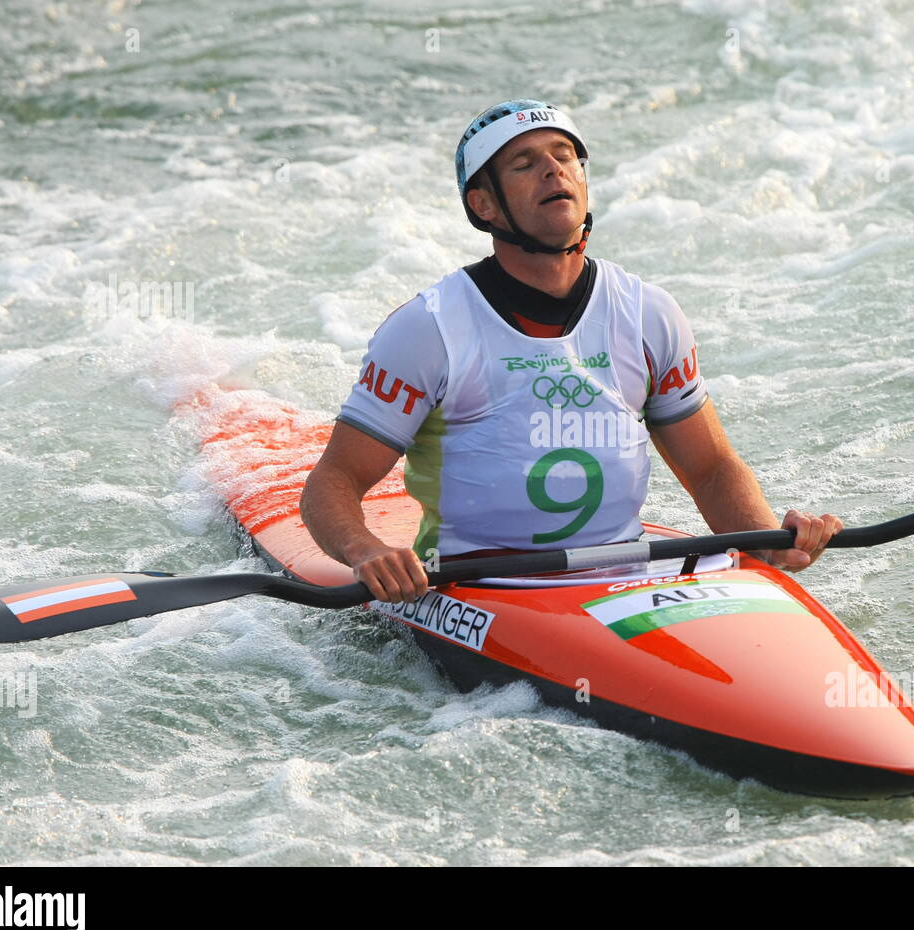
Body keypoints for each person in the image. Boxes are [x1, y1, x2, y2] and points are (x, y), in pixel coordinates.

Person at [300, 99, 842, 602]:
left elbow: (710, 469)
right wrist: (364, 549)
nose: (554, 170)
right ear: (482, 203)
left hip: (626, 577)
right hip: (478, 585)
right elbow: (333, 482)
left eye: (566, 157)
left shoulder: (647, 312)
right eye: (524, 163)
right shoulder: (429, 328)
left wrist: (769, 542)